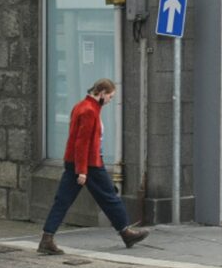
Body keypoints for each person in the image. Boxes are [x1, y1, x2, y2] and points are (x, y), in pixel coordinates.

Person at [39, 78, 148, 254]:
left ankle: (47, 237)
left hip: (75, 161)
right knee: (110, 196)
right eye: (110, 97)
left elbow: (75, 140)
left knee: (63, 200)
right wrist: (82, 171)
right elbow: (82, 143)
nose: (111, 100)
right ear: (102, 93)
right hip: (89, 163)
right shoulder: (90, 111)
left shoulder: (81, 106)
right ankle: (126, 232)